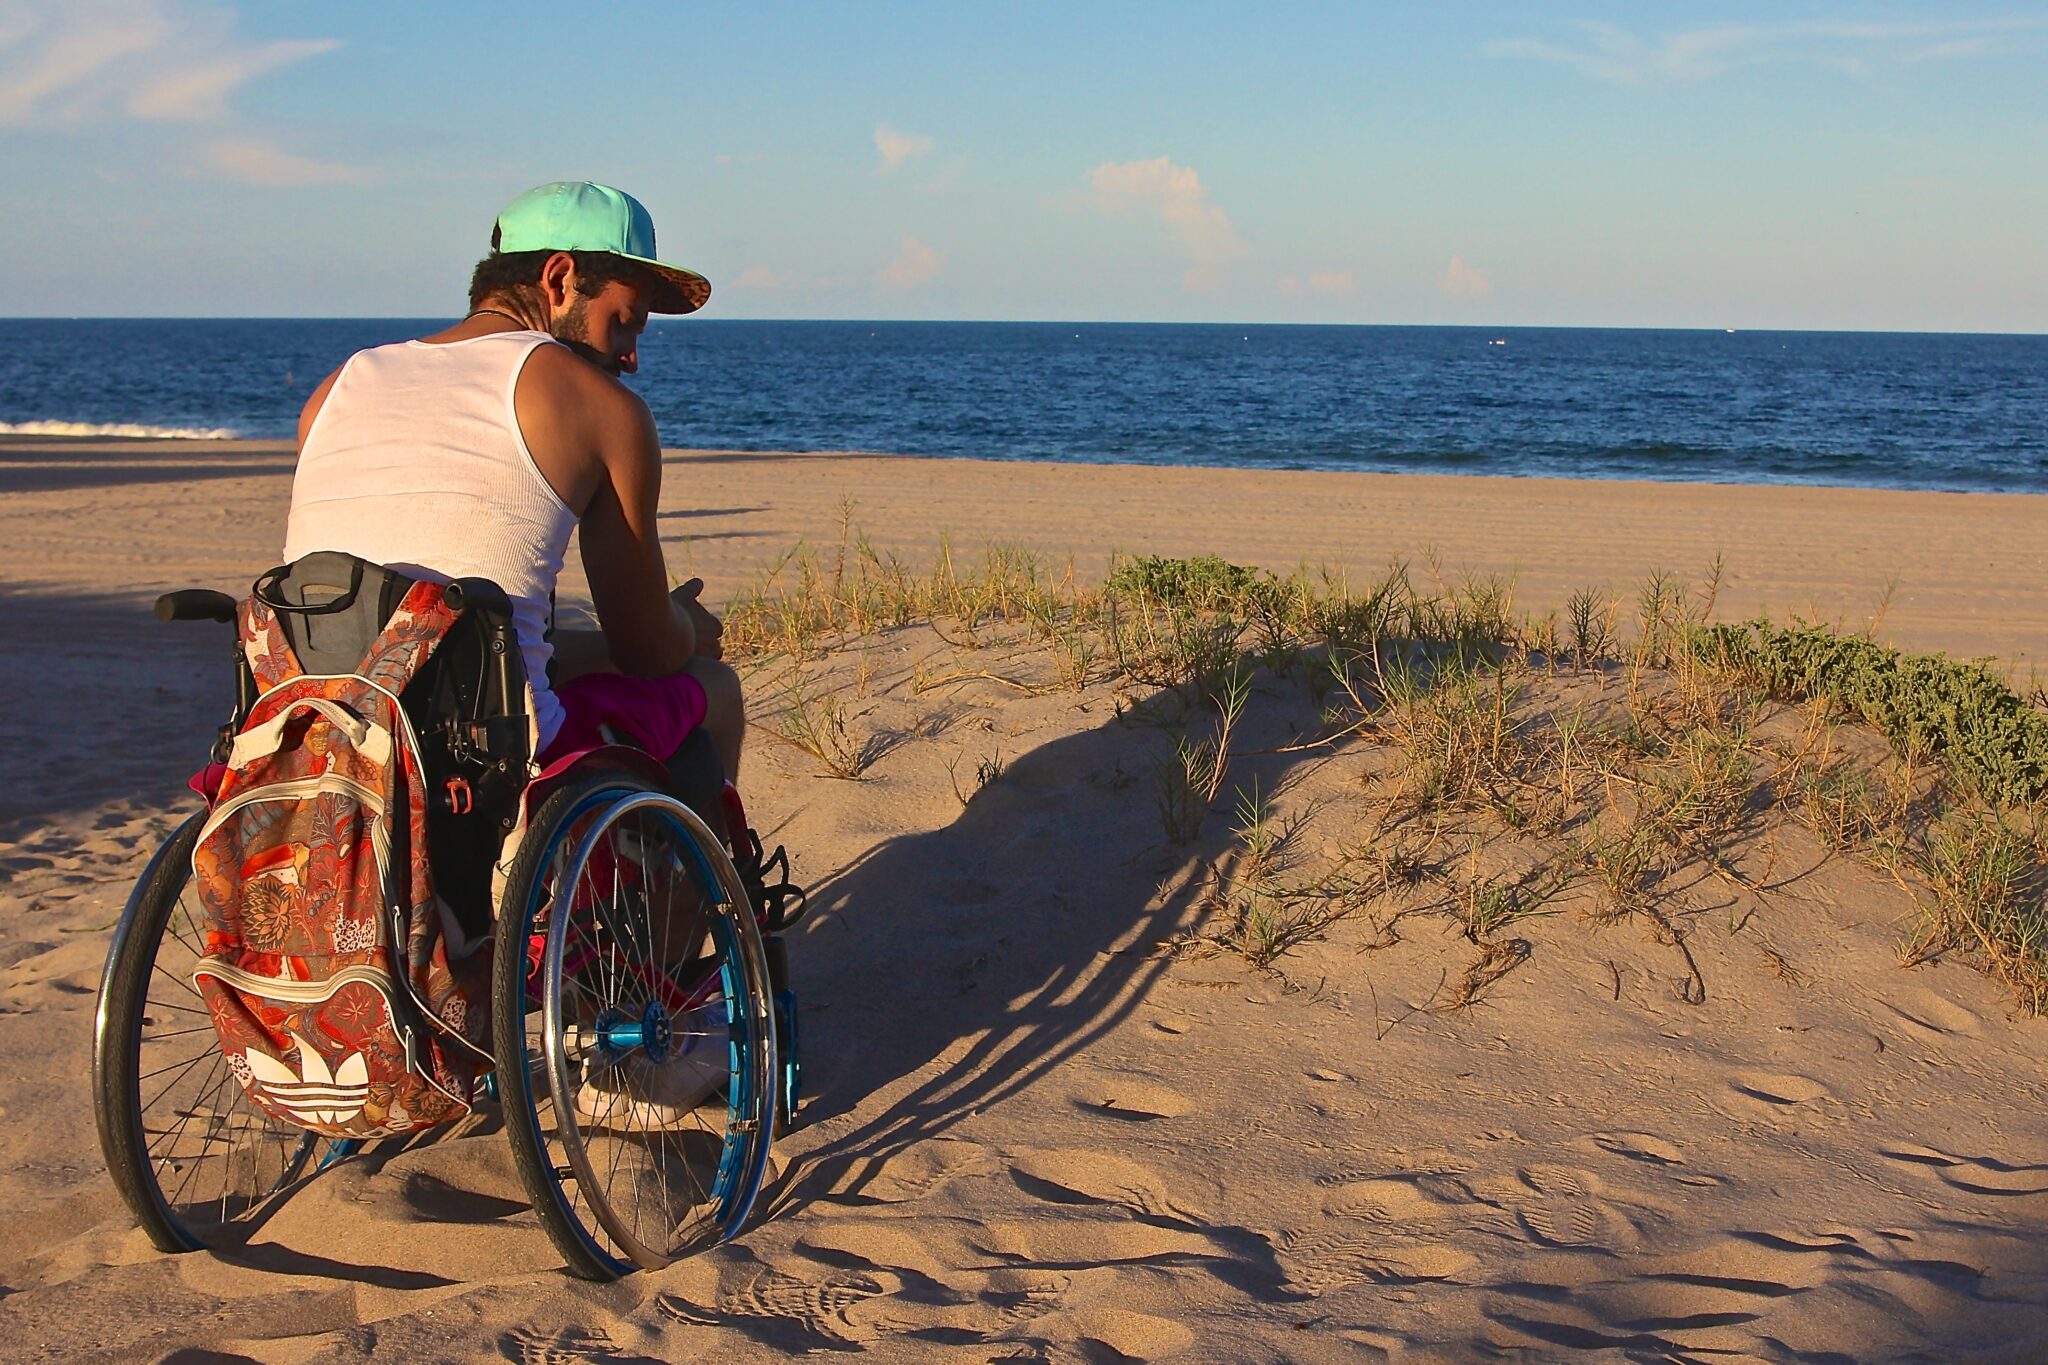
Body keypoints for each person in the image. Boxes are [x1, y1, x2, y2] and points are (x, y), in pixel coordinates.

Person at [282, 180, 743, 792]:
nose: (631, 357)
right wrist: (682, 623)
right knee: (715, 689)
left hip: (320, 729)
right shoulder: (600, 407)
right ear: (559, 279)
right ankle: (705, 888)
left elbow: (422, 638)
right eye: (625, 323)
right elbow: (647, 653)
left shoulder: (337, 386)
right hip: (489, 753)